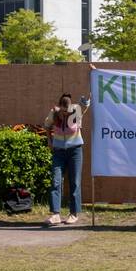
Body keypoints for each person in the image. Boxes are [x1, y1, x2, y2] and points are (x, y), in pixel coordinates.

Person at [44, 92, 90, 226]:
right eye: (63, 111)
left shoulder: (76, 111)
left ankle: (73, 214)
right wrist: (49, 140)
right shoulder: (54, 112)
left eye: (68, 111)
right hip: (58, 152)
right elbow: (47, 125)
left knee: (74, 181)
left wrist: (92, 74)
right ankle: (56, 214)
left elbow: (86, 101)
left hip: (75, 150)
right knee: (55, 180)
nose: (66, 114)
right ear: (59, 107)